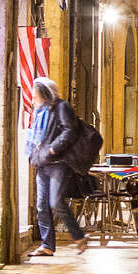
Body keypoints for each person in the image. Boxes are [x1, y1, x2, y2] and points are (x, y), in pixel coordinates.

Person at [24, 77, 88, 257]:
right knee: (41, 206)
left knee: (56, 202)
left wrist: (54, 148)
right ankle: (47, 245)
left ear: (44, 93)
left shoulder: (61, 107)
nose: (33, 98)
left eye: (35, 94)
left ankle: (79, 236)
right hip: (42, 163)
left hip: (58, 163)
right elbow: (34, 135)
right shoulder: (39, 111)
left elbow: (70, 130)